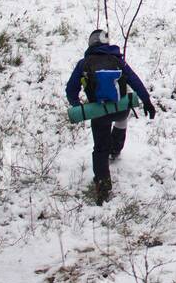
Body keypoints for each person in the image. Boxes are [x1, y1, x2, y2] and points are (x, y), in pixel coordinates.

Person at [65, 29, 156, 204]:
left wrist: (79, 107)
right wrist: (147, 102)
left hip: (98, 112)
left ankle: (103, 185)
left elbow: (71, 90)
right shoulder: (117, 61)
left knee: (100, 148)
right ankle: (115, 150)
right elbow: (135, 81)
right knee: (122, 120)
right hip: (120, 108)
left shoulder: (83, 64)